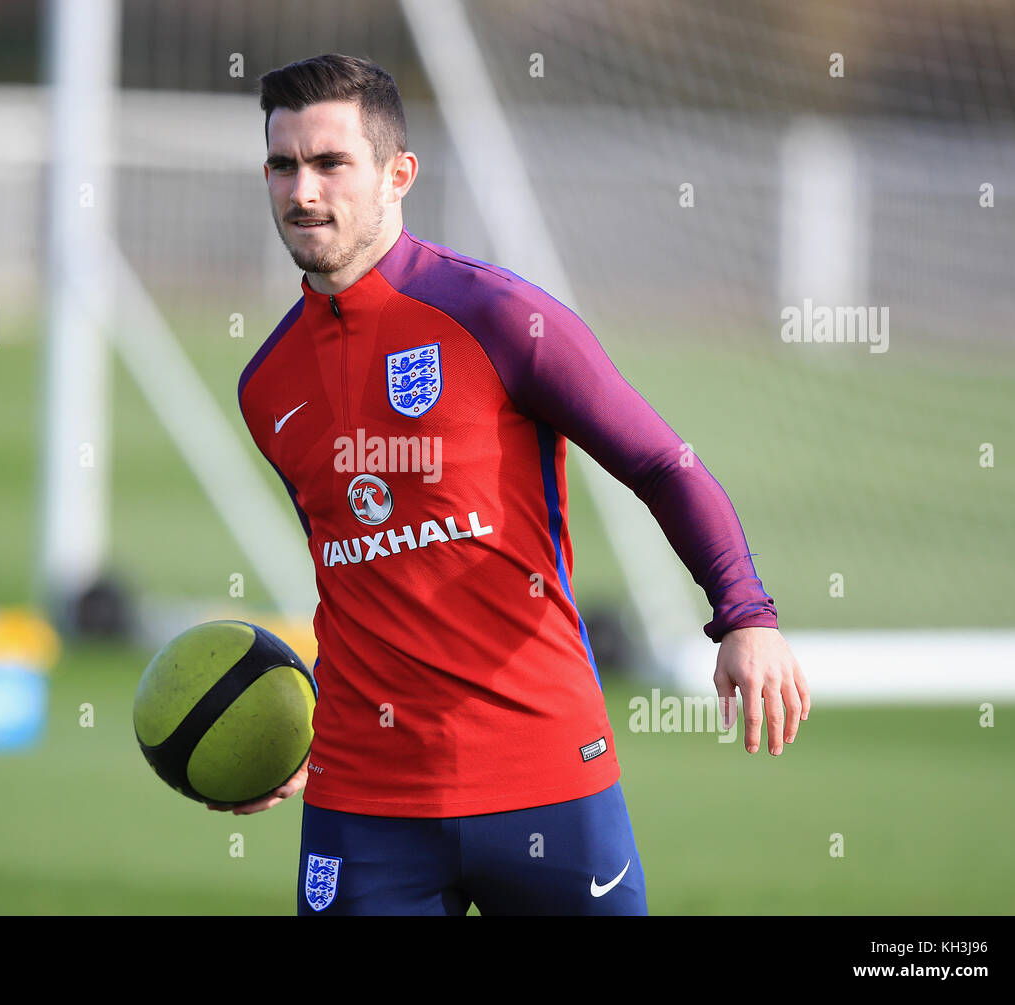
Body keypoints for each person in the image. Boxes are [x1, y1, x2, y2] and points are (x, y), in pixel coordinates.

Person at [220, 53, 810, 916]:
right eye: (283, 165)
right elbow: (352, 573)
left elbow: (662, 464)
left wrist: (747, 615)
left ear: (398, 174)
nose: (302, 190)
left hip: (546, 777)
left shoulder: (501, 318)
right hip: (365, 800)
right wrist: (296, 737)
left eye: (330, 163)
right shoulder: (266, 384)